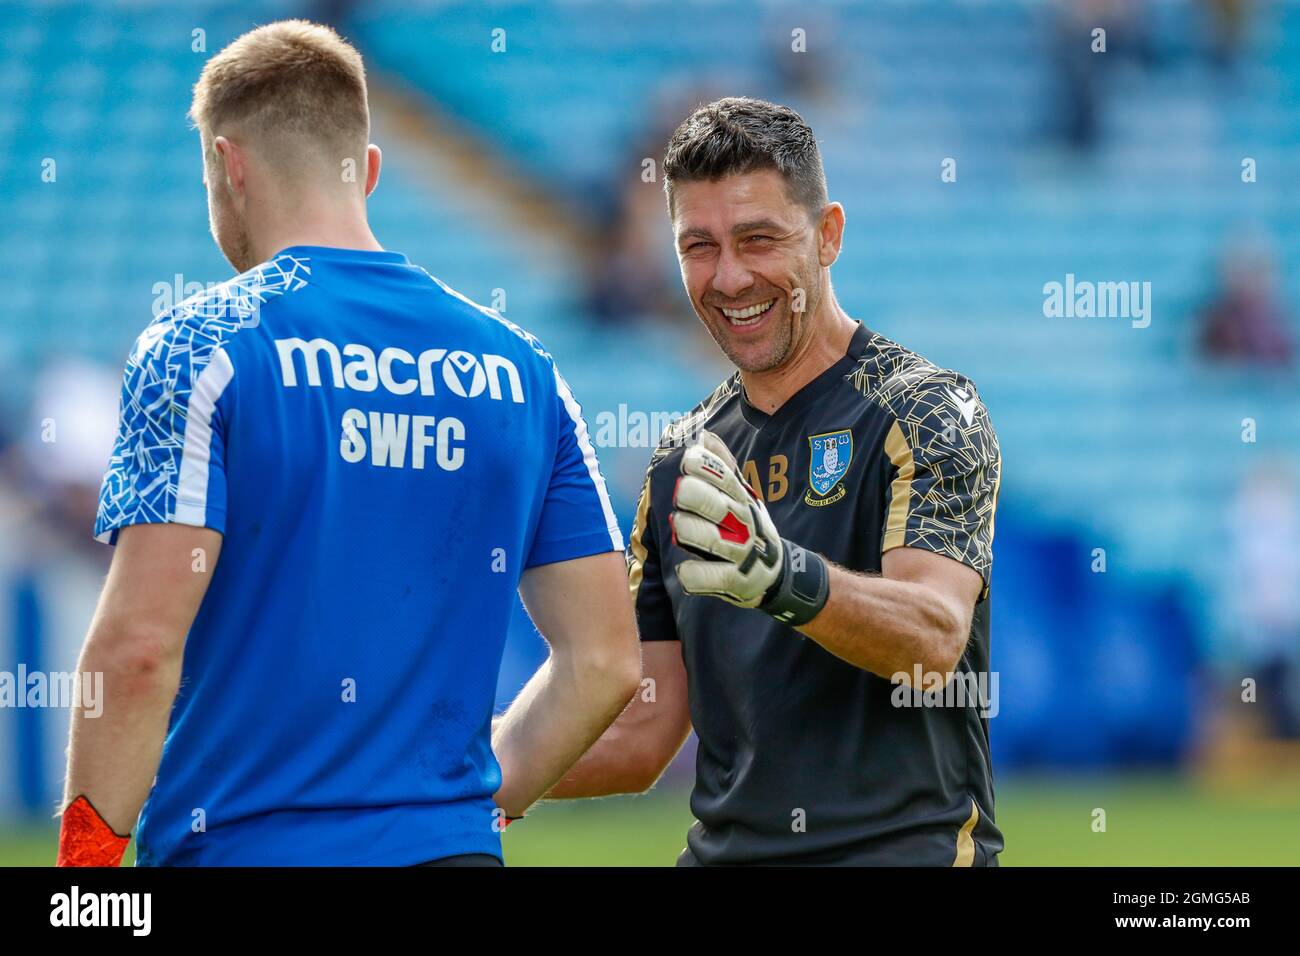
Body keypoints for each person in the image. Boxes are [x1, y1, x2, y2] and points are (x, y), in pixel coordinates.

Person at [57, 20, 640, 867]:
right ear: (365, 171)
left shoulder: (200, 346)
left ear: (229, 165)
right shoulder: (524, 371)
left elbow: (138, 650)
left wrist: (83, 880)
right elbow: (607, 662)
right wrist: (464, 813)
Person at [552, 97, 1004, 866]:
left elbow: (933, 640)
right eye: (699, 246)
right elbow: (642, 734)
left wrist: (781, 577)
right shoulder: (680, 462)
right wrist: (453, 767)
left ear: (828, 235)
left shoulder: (927, 408)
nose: (730, 278)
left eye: (759, 239)